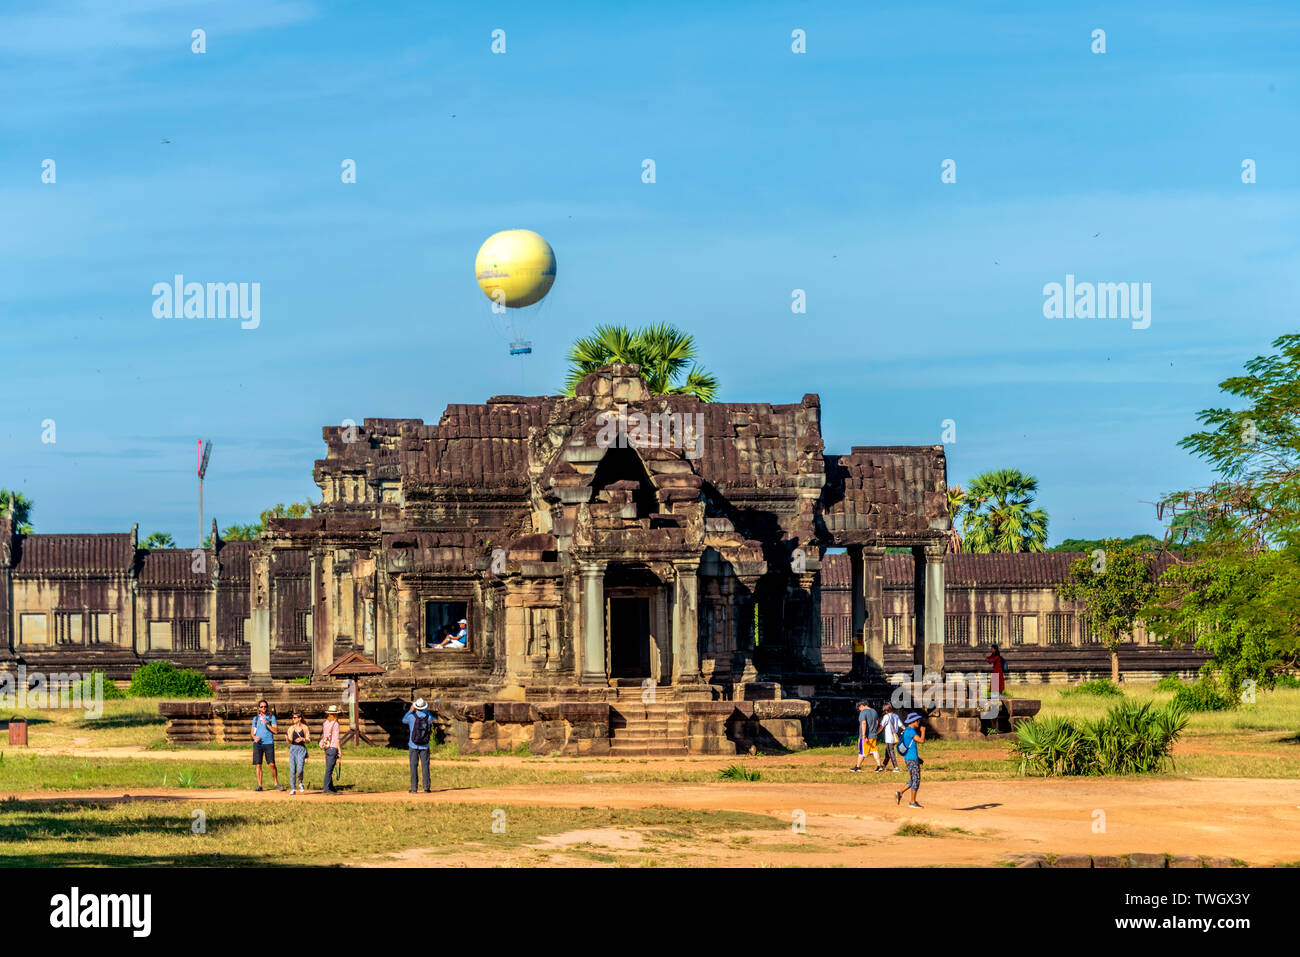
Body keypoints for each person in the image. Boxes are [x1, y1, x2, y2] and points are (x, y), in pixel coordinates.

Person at [403, 697, 435, 793]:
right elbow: (432, 719)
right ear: (423, 707)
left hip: (413, 744)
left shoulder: (411, 717)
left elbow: (403, 720)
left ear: (415, 706)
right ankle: (426, 787)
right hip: (425, 745)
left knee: (413, 766)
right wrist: (426, 711)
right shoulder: (428, 718)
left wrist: (410, 710)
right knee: (425, 766)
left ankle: (414, 788)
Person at [895, 712, 926, 809]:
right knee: (916, 780)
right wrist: (923, 731)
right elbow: (921, 741)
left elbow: (910, 745)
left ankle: (900, 792)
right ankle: (912, 802)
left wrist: (918, 758)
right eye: (917, 721)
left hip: (910, 758)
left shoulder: (907, 730)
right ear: (913, 721)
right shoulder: (911, 731)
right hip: (911, 758)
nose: (919, 722)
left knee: (913, 778)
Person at [250, 698, 281, 791]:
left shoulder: (271, 717)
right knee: (258, 764)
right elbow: (252, 732)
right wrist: (254, 737)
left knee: (271, 764)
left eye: (265, 706)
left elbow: (275, 731)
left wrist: (267, 724)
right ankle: (260, 785)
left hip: (268, 743)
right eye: (261, 707)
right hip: (258, 744)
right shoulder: (255, 719)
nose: (264, 708)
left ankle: (276, 782)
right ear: (259, 708)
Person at [851, 700, 882, 772]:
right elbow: (877, 722)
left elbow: (863, 723)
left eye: (859, 708)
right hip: (873, 735)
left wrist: (864, 735)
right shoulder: (874, 711)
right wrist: (874, 731)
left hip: (865, 736)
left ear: (861, 705)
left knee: (862, 751)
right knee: (874, 750)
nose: (859, 710)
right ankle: (879, 766)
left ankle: (858, 767)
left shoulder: (863, 712)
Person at [286, 711, 310, 794]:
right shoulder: (291, 728)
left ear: (299, 718)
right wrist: (287, 739)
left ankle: (300, 782)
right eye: (293, 717)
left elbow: (308, 740)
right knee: (292, 769)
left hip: (301, 749)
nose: (293, 719)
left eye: (295, 717)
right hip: (293, 749)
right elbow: (290, 741)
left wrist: (303, 739)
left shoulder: (305, 728)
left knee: (300, 769)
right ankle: (293, 788)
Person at [320, 705, 341, 793]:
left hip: (327, 747)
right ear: (335, 714)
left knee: (329, 767)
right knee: (329, 769)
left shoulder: (325, 723)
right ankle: (326, 788)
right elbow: (336, 739)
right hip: (333, 747)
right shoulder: (335, 724)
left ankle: (331, 787)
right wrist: (339, 750)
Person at [879, 702, 903, 773]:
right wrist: (908, 730)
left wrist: (876, 733)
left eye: (884, 710)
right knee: (888, 752)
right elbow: (901, 725)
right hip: (894, 738)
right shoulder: (896, 716)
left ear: (886, 709)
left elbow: (881, 727)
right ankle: (883, 765)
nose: (884, 712)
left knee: (890, 752)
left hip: (889, 738)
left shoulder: (886, 717)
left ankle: (896, 767)